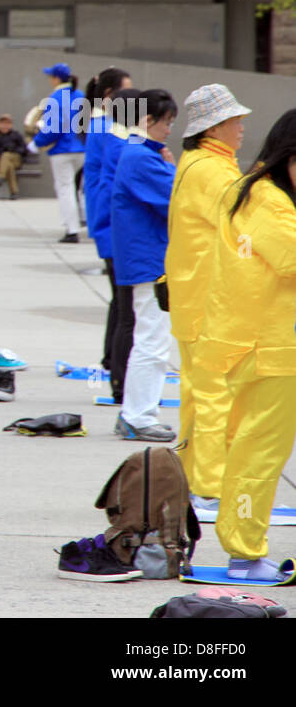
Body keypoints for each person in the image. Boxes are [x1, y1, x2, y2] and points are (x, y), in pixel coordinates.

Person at [192, 109, 296, 581]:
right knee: (259, 452)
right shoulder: (266, 199)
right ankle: (244, 554)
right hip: (269, 348)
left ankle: (245, 550)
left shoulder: (255, 191)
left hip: (260, 343)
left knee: (254, 447)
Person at [166, 85, 249, 511]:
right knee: (215, 396)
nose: (241, 127)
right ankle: (210, 487)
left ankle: (194, 478)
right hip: (210, 300)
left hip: (191, 298)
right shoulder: (215, 172)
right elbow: (248, 223)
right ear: (214, 127)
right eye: (235, 120)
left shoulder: (195, 164)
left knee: (199, 393)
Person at [109, 88, 178, 442]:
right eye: (167, 122)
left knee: (150, 338)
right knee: (152, 340)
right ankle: (138, 415)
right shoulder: (141, 158)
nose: (170, 130)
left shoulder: (139, 154)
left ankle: (137, 413)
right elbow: (179, 200)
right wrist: (172, 167)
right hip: (149, 261)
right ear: (148, 120)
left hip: (145, 259)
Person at [81, 68, 133, 381]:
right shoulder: (109, 129)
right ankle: (117, 369)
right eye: (128, 92)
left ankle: (111, 360)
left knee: (119, 300)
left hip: (106, 222)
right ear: (111, 96)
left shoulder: (102, 125)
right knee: (124, 304)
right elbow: (118, 178)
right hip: (113, 224)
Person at [101, 86, 142, 403]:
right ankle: (120, 382)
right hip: (122, 237)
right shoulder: (123, 144)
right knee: (127, 314)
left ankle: (118, 376)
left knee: (121, 310)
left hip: (117, 235)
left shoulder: (119, 140)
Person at [27, 63, 86, 242]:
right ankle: (85, 218)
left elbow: (53, 128)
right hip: (83, 149)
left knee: (65, 188)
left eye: (50, 77)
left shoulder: (55, 98)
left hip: (62, 151)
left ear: (56, 79)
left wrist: (35, 143)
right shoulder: (82, 96)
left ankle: (72, 230)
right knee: (82, 189)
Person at [0, 113, 28, 200]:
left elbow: (24, 149)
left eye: (7, 123)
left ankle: (0, 176)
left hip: (15, 160)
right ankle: (14, 192)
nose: (5, 126)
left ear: (11, 125)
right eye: (3, 123)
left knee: (6, 155)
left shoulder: (16, 135)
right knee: (8, 165)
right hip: (1, 162)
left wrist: (13, 150)